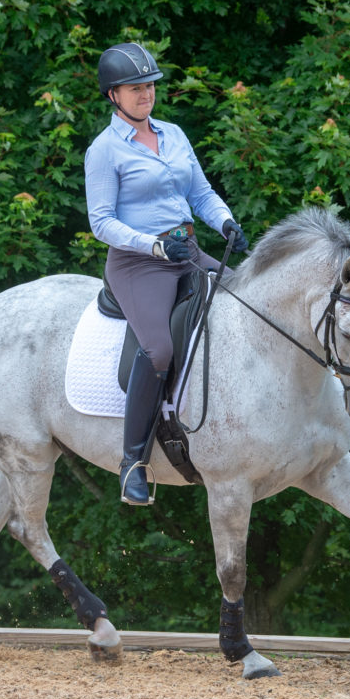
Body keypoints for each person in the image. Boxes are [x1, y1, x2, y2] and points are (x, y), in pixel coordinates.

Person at [84, 42, 248, 506]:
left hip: (186, 250)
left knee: (247, 306)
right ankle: (132, 461)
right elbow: (102, 222)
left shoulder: (173, 134)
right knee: (158, 351)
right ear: (113, 95)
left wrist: (225, 222)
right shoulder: (104, 151)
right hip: (138, 263)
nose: (146, 95)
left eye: (150, 86)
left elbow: (201, 191)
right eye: (135, 89)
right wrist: (153, 243)